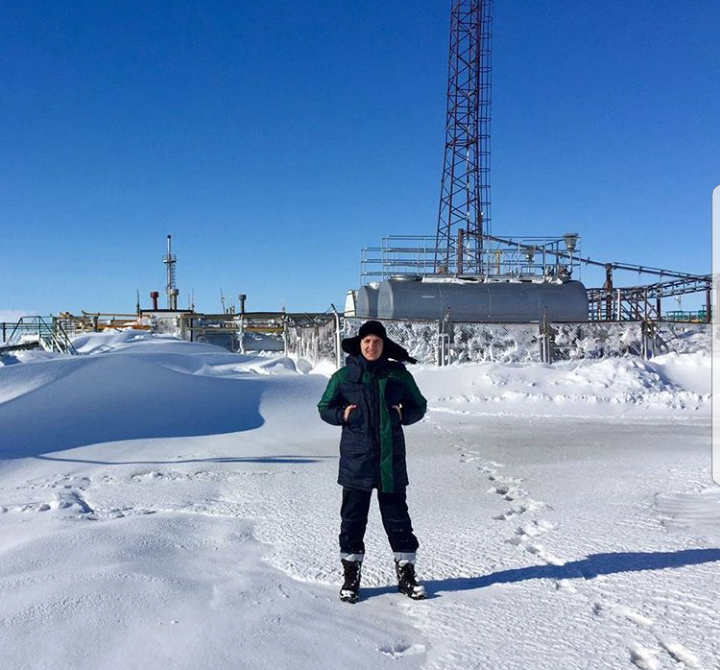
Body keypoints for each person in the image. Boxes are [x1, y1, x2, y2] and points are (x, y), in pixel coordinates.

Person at [317, 320, 428, 603]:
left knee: (398, 520)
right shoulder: (343, 377)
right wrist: (342, 415)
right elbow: (324, 407)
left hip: (390, 462)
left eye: (377, 342)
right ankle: (351, 577)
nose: (371, 346)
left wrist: (403, 416)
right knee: (352, 521)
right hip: (356, 463)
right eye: (367, 341)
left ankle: (406, 576)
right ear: (360, 344)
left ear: (383, 346)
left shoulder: (398, 375)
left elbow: (419, 405)